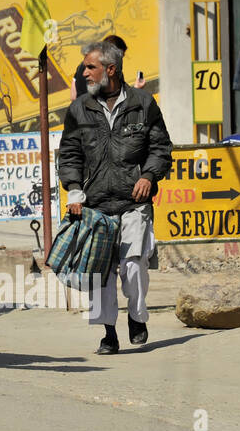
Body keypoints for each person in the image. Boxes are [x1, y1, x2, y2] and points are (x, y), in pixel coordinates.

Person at [58, 39, 172, 355]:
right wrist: (74, 190)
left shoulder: (143, 104)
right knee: (102, 272)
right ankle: (109, 333)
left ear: (111, 69)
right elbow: (69, 153)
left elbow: (161, 148)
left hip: (133, 202)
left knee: (133, 265)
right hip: (94, 206)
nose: (85, 73)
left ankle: (137, 315)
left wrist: (149, 175)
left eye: (90, 67)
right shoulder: (79, 108)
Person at [69, 34, 144, 101]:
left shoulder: (82, 65)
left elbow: (73, 96)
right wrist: (136, 88)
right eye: (120, 56)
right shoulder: (110, 71)